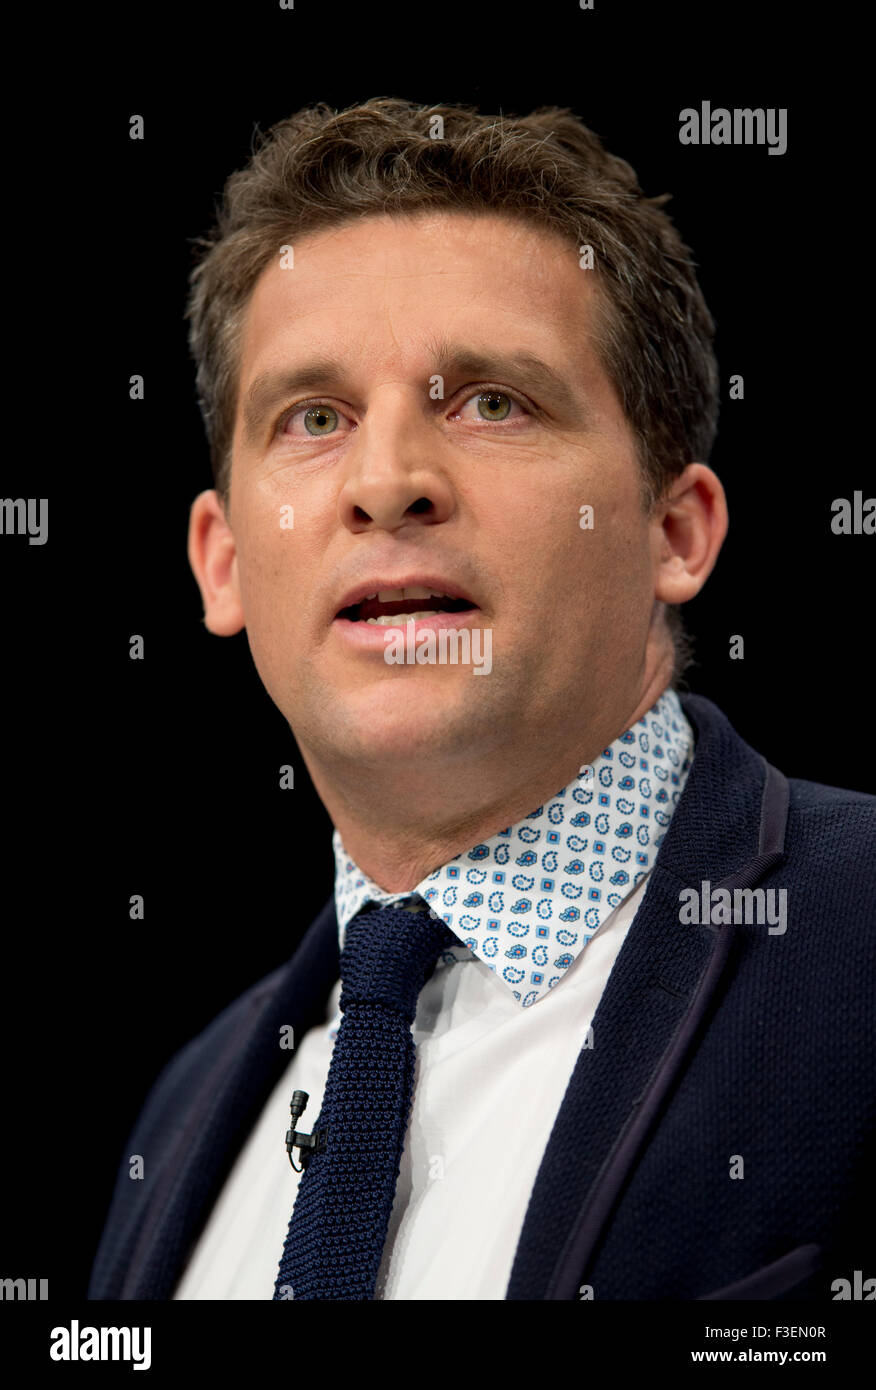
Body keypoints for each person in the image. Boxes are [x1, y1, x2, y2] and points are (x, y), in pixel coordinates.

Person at [88, 98, 875, 1301]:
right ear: (224, 560)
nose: (389, 481)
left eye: (491, 402)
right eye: (314, 418)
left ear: (676, 530)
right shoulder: (188, 1100)